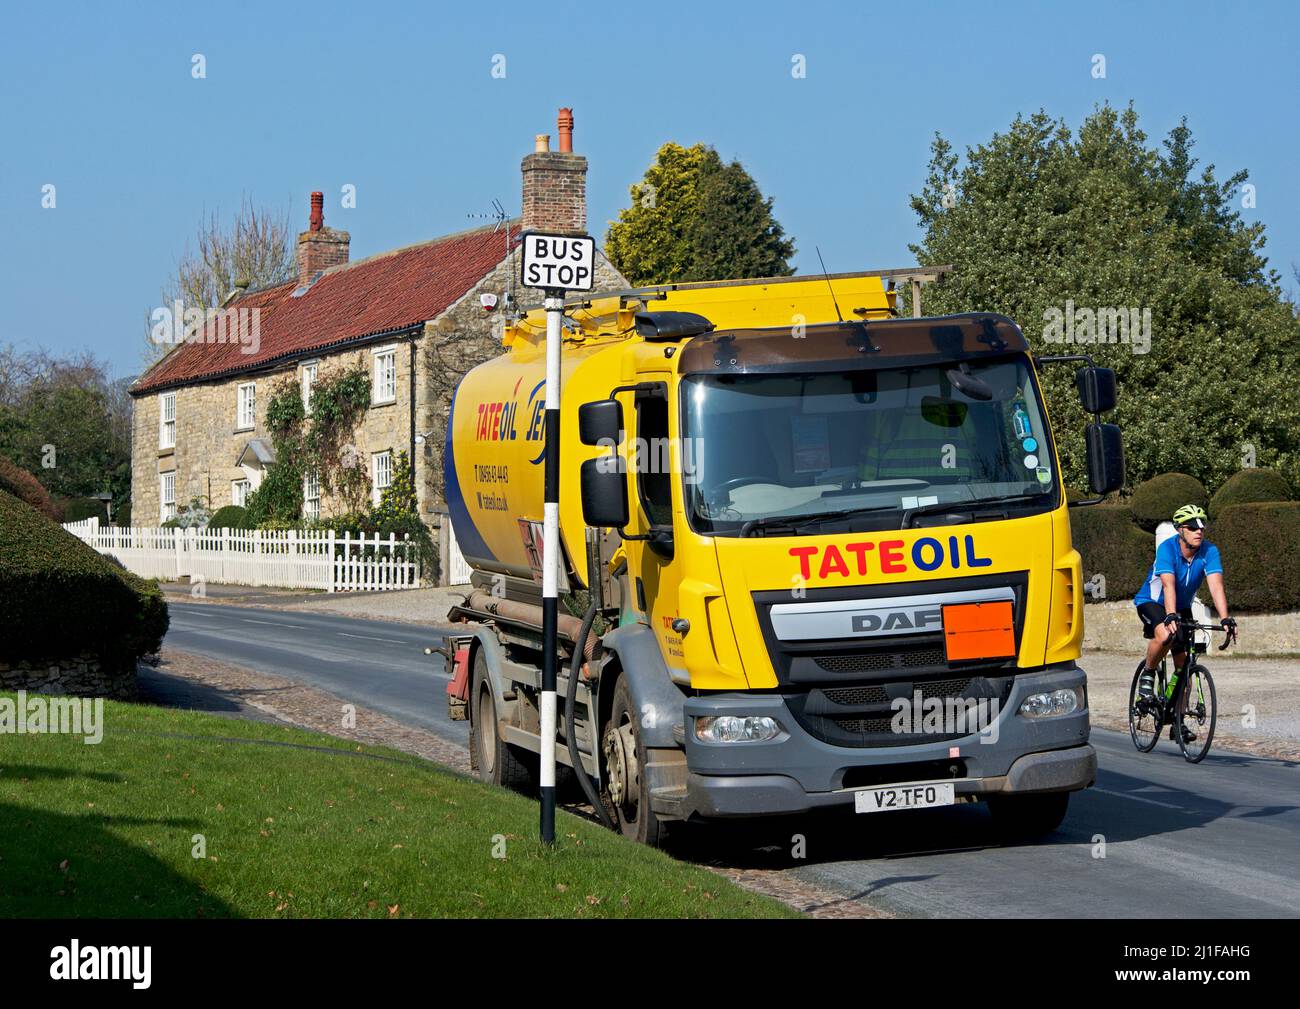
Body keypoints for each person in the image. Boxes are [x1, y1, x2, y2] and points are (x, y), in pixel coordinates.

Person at [1133, 504, 1237, 742]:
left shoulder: (1209, 552)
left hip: (1180, 607)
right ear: (1181, 530)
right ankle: (1148, 673)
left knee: (1185, 667)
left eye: (1202, 526)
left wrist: (1225, 618)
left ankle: (1177, 723)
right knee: (1165, 636)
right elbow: (1168, 586)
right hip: (1153, 601)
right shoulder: (1167, 549)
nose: (1199, 531)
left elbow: (1216, 586)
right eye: (1192, 527)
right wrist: (1170, 616)